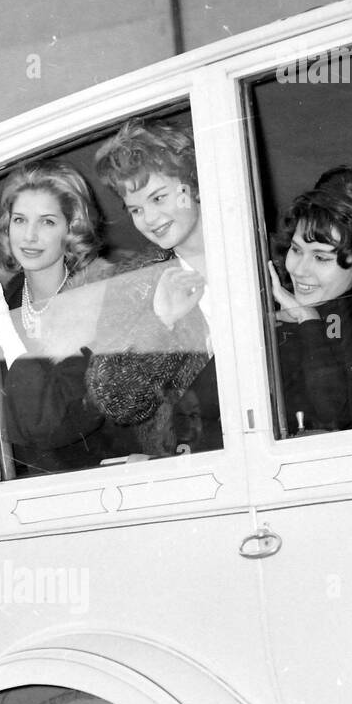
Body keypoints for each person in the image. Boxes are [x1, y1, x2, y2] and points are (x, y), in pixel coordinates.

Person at [0, 162, 127, 476]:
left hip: (93, 480)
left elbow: (51, 422)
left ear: (71, 229)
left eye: (47, 222)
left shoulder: (97, 299)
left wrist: (2, 321)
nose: (29, 235)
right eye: (19, 220)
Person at [84, 118, 220, 456]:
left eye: (158, 197)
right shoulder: (131, 282)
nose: (149, 218)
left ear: (194, 184)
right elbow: (115, 402)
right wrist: (160, 323)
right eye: (136, 209)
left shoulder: (264, 257)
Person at [271, 167, 352, 432]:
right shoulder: (277, 304)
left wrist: (308, 321)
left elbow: (337, 416)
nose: (299, 269)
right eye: (296, 250)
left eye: (321, 257)